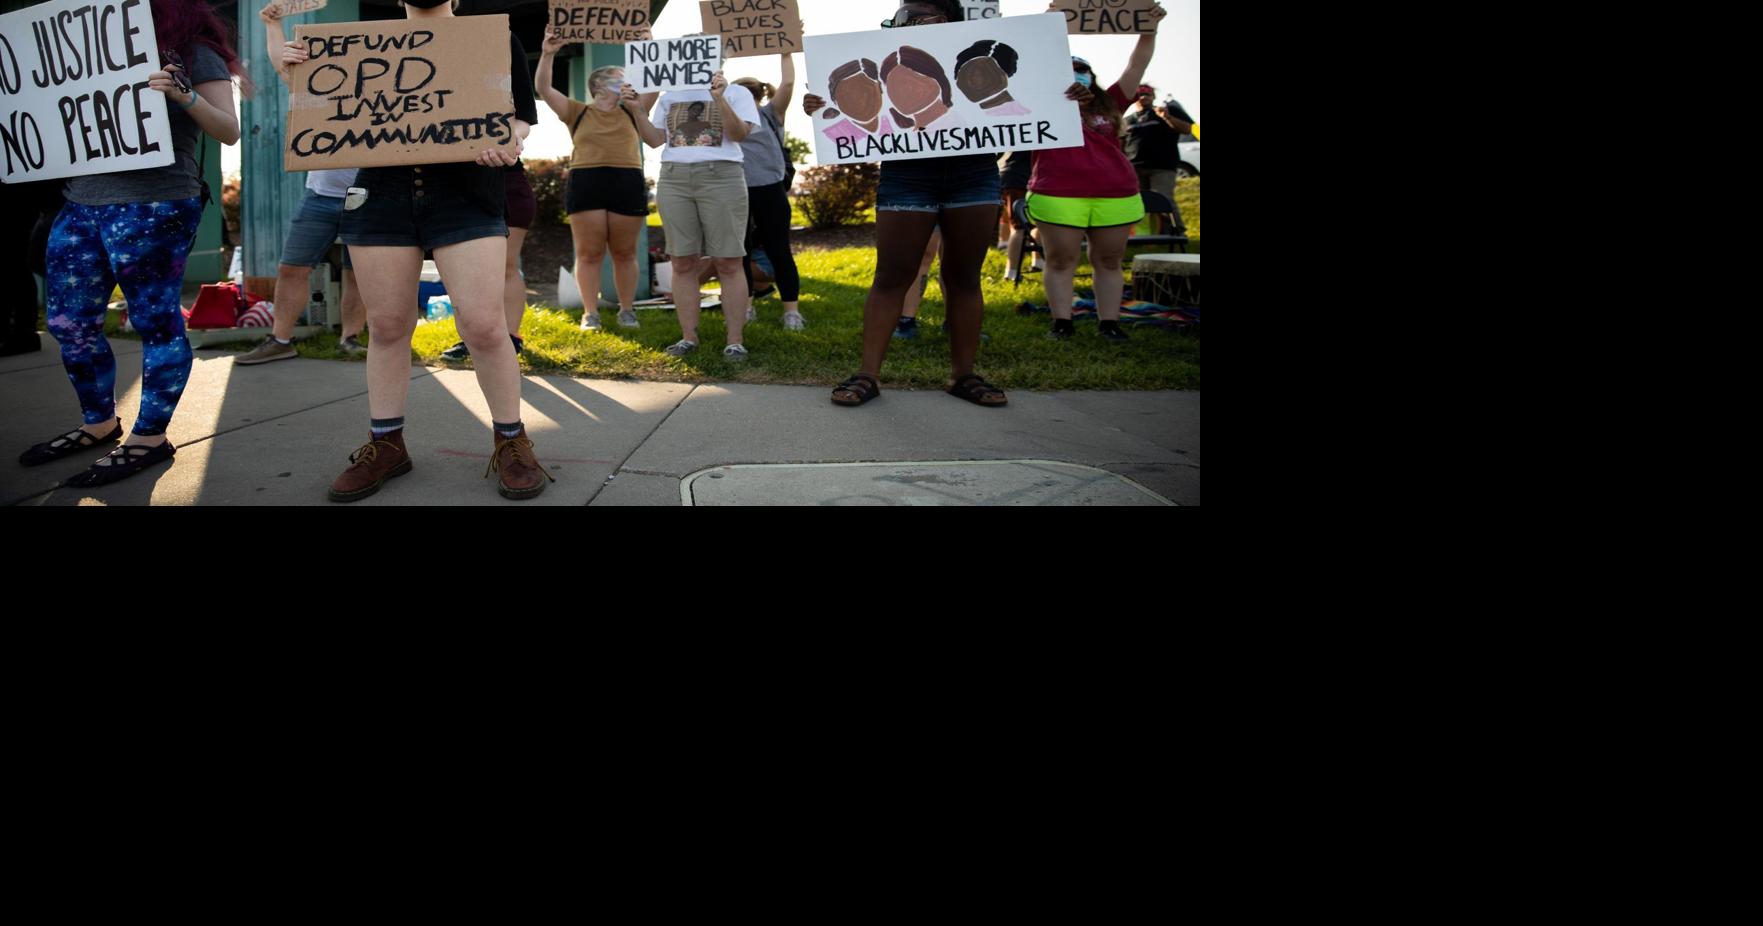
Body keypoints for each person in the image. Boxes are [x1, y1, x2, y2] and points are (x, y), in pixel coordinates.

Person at [302, 0, 547, 501]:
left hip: (466, 192)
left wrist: (508, 142)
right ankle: (386, 443)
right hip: (382, 194)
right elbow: (320, 114)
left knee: (483, 324)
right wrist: (299, 71)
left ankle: (512, 441)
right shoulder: (360, 48)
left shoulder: (495, 39)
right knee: (388, 325)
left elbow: (522, 118)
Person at [17, 0, 246, 487]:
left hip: (156, 203)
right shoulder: (76, 46)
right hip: (80, 201)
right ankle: (99, 422)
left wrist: (182, 95)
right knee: (67, 322)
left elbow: (228, 130)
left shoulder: (191, 49)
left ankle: (149, 438)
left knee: (155, 322)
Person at [809, 0, 1033, 408]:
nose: (896, 26)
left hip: (973, 174)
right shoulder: (884, 64)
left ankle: (963, 375)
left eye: (907, 19)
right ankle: (868, 375)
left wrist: (1066, 95)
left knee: (964, 276)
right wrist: (822, 109)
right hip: (908, 175)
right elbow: (852, 119)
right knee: (892, 276)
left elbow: (1031, 104)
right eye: (895, 20)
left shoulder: (975, 73)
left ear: (942, 21)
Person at [1028, 6, 1166, 343]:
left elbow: (1138, 64)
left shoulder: (1112, 102)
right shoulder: (1038, 100)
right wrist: (1048, 27)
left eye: (1083, 71)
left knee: (1109, 259)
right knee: (1061, 260)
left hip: (1115, 192)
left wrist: (1148, 29)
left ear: (1093, 76)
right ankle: (1062, 323)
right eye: (1070, 70)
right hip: (1058, 192)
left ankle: (1109, 324)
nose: (1077, 76)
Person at [239, 1, 366, 366]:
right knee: (291, 267)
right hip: (321, 195)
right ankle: (280, 339)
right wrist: (272, 25)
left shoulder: (381, 94)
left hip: (367, 196)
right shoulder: (319, 90)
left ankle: (351, 338)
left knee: (357, 272)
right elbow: (283, 68)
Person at [530, 28, 654, 333]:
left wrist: (647, 46)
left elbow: (655, 81)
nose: (625, 82)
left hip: (627, 179)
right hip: (587, 180)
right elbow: (544, 88)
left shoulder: (634, 110)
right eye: (619, 77)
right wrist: (548, 52)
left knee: (625, 252)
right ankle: (590, 313)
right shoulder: (577, 111)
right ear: (598, 85)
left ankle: (627, 310)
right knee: (589, 252)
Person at [644, 51, 762, 362]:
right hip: (674, 178)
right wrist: (633, 109)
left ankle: (734, 340)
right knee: (682, 262)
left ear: (720, 59)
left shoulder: (737, 92)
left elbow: (739, 134)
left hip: (722, 176)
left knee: (728, 261)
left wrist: (719, 98)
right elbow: (654, 140)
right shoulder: (670, 95)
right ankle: (688, 337)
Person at [734, 55, 806, 331]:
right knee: (740, 252)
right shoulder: (727, 117)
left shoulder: (770, 113)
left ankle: (791, 312)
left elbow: (788, 82)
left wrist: (786, 51)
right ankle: (747, 307)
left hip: (770, 189)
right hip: (736, 190)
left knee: (779, 250)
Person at [1122, 83, 1194, 237]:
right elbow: (1121, 143)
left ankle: (1177, 232)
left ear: (1153, 96)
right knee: (1140, 203)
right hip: (1134, 167)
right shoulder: (1128, 120)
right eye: (1140, 94)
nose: (1143, 97)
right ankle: (1149, 234)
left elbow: (1187, 129)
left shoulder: (1167, 111)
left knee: (1163, 199)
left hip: (1162, 166)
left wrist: (1167, 118)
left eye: (1147, 94)